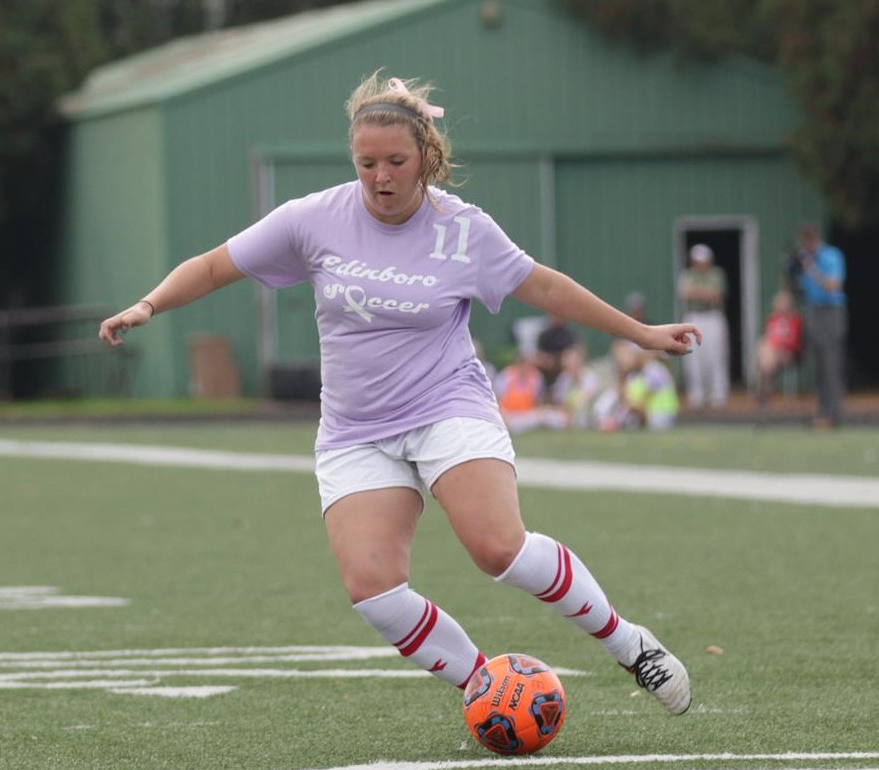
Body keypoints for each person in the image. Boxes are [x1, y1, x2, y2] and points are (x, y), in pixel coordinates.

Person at [98, 72, 700, 716]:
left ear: (425, 158)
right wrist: (148, 304)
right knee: (373, 589)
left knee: (498, 547)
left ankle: (631, 645)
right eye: (366, 164)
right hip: (356, 430)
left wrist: (641, 334)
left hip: (447, 406)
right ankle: (487, 690)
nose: (380, 177)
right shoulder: (313, 218)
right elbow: (217, 264)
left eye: (395, 161)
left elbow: (547, 289)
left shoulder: (464, 230)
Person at [793, 223, 847, 428]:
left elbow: (833, 286)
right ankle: (822, 412)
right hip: (812, 310)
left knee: (831, 364)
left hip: (831, 312)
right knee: (817, 366)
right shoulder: (804, 259)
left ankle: (835, 414)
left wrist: (811, 268)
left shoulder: (830, 256)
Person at [677, 243, 729, 408]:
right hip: (694, 317)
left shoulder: (716, 274)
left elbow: (716, 294)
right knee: (693, 357)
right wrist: (704, 293)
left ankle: (718, 395)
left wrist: (697, 292)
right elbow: (684, 293)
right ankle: (697, 395)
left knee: (715, 356)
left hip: (713, 317)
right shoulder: (687, 274)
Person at [756, 290, 803, 407]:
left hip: (789, 353)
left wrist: (780, 348)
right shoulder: (773, 319)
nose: (779, 305)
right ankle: (765, 392)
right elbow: (769, 337)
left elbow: (794, 342)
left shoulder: (795, 320)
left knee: (766, 356)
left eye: (782, 302)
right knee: (763, 347)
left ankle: (763, 391)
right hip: (773, 354)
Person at [534, 313, 579, 398]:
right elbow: (539, 354)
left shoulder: (569, 333)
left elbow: (574, 351)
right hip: (548, 363)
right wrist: (547, 359)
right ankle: (539, 395)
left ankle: (564, 394)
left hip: (563, 363)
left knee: (569, 359)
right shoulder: (545, 334)